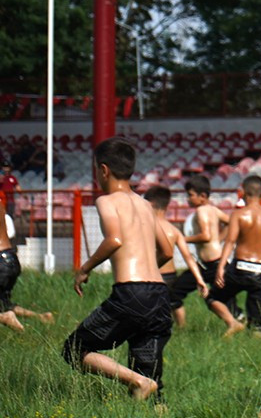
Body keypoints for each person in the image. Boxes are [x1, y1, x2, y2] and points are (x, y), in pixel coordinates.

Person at [63, 138, 174, 401]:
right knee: (151, 375)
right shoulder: (146, 206)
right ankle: (152, 414)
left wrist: (84, 269)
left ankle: (135, 380)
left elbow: (114, 239)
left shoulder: (107, 201)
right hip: (159, 293)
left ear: (103, 170)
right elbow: (168, 251)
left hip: (130, 292)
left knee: (74, 349)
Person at [211, 175, 261, 338]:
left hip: (240, 267)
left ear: (243, 194)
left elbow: (230, 241)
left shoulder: (238, 215)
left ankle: (234, 320)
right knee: (258, 322)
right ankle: (256, 344)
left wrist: (221, 267)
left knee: (214, 297)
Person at [143, 187, 208, 327]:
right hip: (171, 276)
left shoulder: (145, 228)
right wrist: (199, 279)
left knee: (150, 309)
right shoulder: (174, 230)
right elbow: (188, 257)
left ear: (150, 204)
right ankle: (181, 328)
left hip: (152, 275)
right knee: (174, 303)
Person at [168, 175, 228, 326]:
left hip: (211, 263)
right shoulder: (214, 210)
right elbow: (232, 223)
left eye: (190, 195)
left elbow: (206, 236)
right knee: (221, 298)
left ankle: (181, 328)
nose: (187, 199)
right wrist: (219, 238)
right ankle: (237, 320)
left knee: (175, 292)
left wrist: (182, 239)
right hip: (210, 262)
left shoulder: (201, 211)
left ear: (202, 196)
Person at [0, 188, 52, 332]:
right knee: (4, 304)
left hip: (1, 263)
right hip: (10, 259)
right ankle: (41, 317)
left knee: (3, 309)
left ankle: (5, 317)